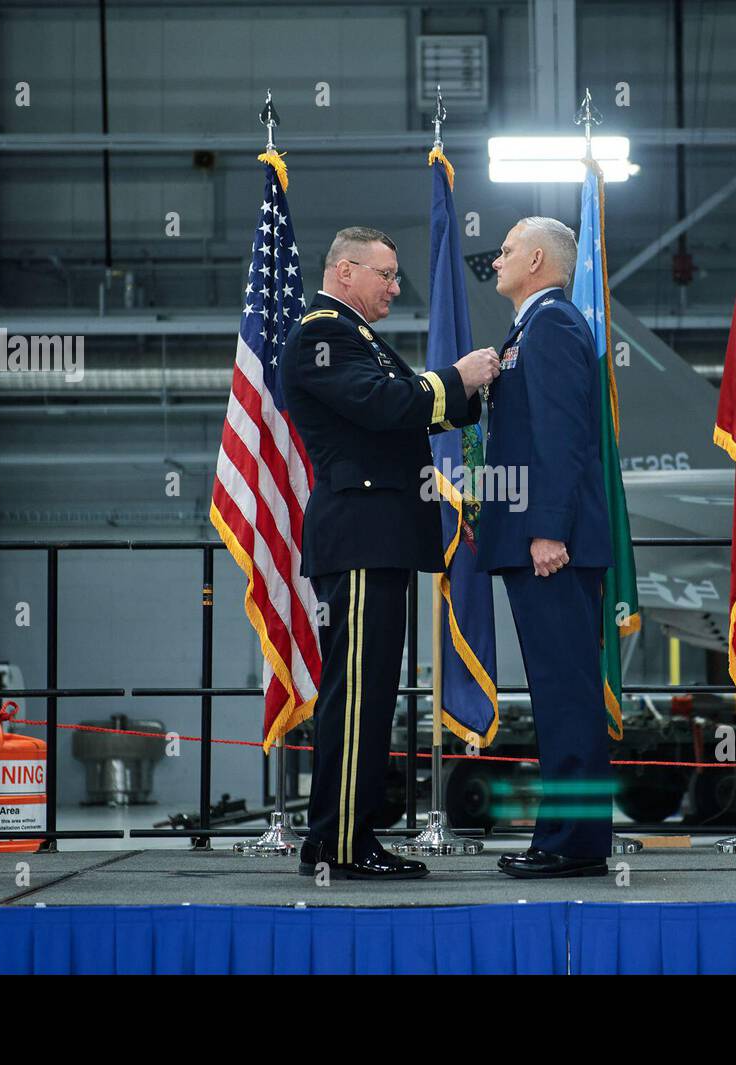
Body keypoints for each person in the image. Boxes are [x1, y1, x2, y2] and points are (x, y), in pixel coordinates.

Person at [281, 226, 500, 880]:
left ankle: (336, 836)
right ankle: (344, 841)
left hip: (376, 534)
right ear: (345, 271)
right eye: (387, 274)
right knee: (356, 697)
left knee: (371, 693)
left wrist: (467, 392)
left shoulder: (357, 339)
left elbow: (405, 408)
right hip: (359, 534)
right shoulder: (323, 333)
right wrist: (454, 378)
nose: (396, 287)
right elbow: (381, 405)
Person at [477, 217, 615, 879]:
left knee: (566, 695)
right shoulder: (531, 329)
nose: (495, 261)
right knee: (559, 693)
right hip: (534, 535)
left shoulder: (552, 326)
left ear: (536, 258)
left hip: (550, 543)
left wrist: (548, 527)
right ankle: (567, 836)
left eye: (504, 251)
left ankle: (573, 842)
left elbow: (564, 436)